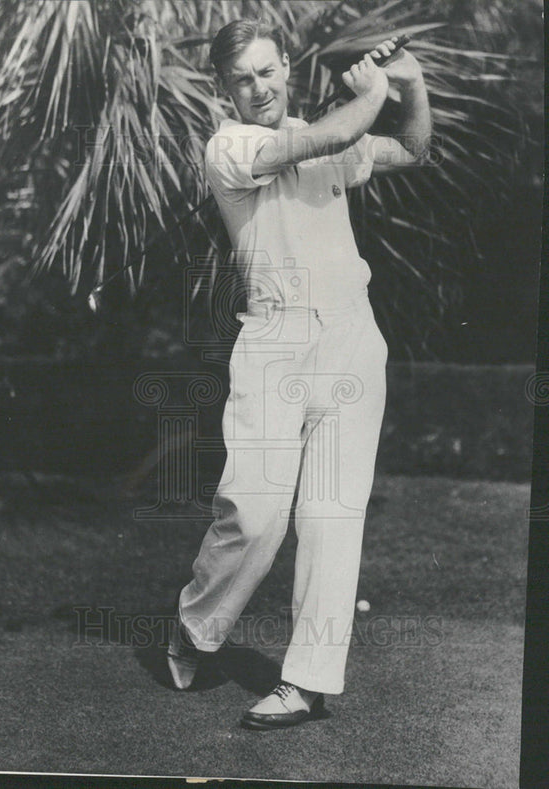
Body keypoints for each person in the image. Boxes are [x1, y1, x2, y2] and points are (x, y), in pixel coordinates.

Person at [167, 18, 431, 730]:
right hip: (274, 340)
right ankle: (196, 624)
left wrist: (408, 83)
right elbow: (327, 139)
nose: (259, 87)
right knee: (253, 516)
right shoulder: (231, 145)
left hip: (351, 335)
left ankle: (307, 683)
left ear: (286, 68)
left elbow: (412, 145)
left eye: (267, 70)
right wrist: (372, 90)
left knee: (330, 517)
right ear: (226, 88)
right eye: (243, 78)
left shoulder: (326, 129)